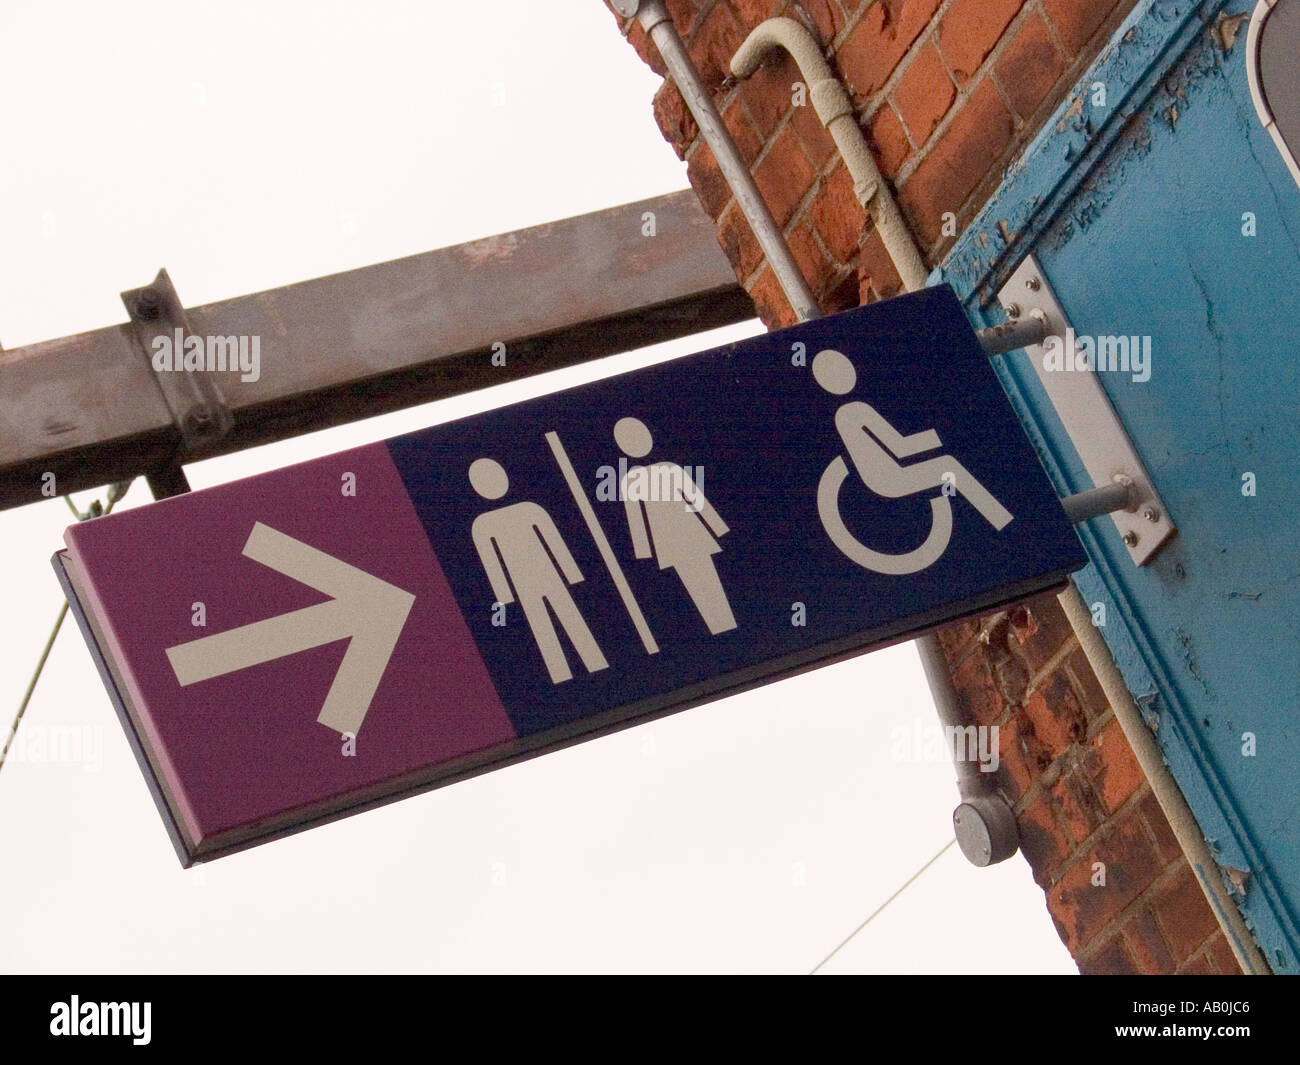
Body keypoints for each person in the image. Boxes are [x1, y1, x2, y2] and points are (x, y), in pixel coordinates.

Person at [811, 349, 1013, 530]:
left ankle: (1000, 521)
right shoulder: (856, 410)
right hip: (889, 477)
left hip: (883, 476)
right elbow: (899, 447)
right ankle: (1003, 522)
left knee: (946, 466)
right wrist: (935, 435)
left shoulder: (846, 413)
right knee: (949, 466)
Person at [468, 457, 608, 684]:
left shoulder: (530, 510)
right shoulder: (483, 525)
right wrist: (504, 597)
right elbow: (493, 564)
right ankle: (562, 676)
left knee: (571, 617)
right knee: (542, 629)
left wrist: (572, 574)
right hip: (524, 587)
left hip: (550, 576)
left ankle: (595, 661)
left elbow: (553, 542)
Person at [614, 417, 737, 635]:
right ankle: (721, 629)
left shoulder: (669, 469)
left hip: (692, 535)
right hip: (669, 544)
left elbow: (697, 500)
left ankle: (725, 625)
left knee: (710, 581)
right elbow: (637, 522)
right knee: (694, 585)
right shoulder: (632, 480)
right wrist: (643, 554)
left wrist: (719, 529)